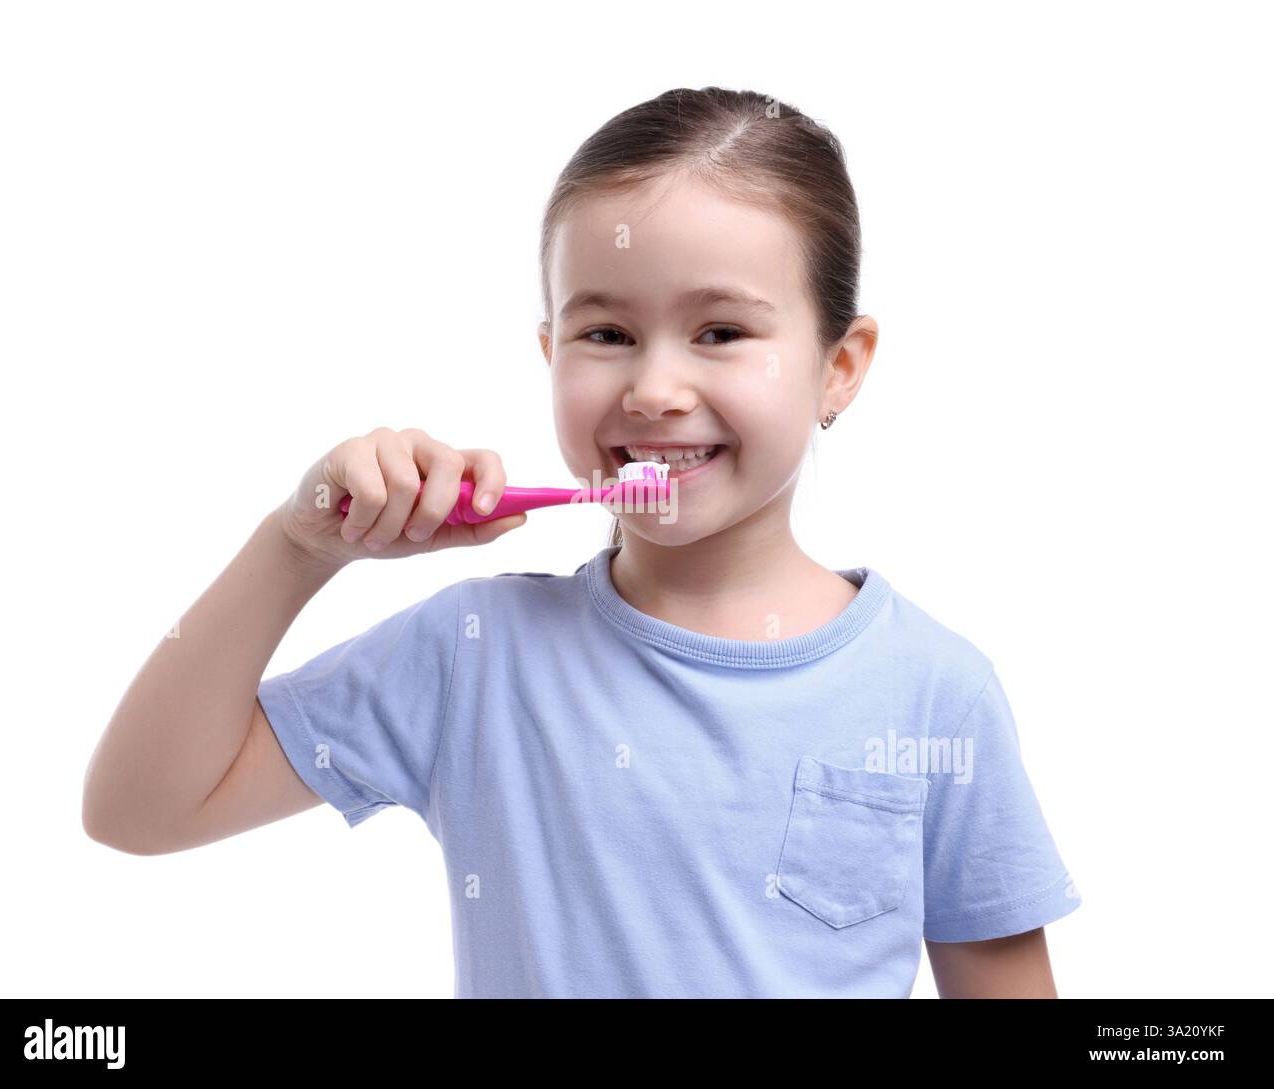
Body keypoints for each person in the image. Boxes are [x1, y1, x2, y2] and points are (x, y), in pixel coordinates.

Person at [83, 86, 1081, 998]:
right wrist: (298, 548)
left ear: (839, 367)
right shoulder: (475, 653)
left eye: (721, 332)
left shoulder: (932, 689)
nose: (652, 388)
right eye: (605, 335)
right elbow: (138, 808)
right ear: (551, 350)